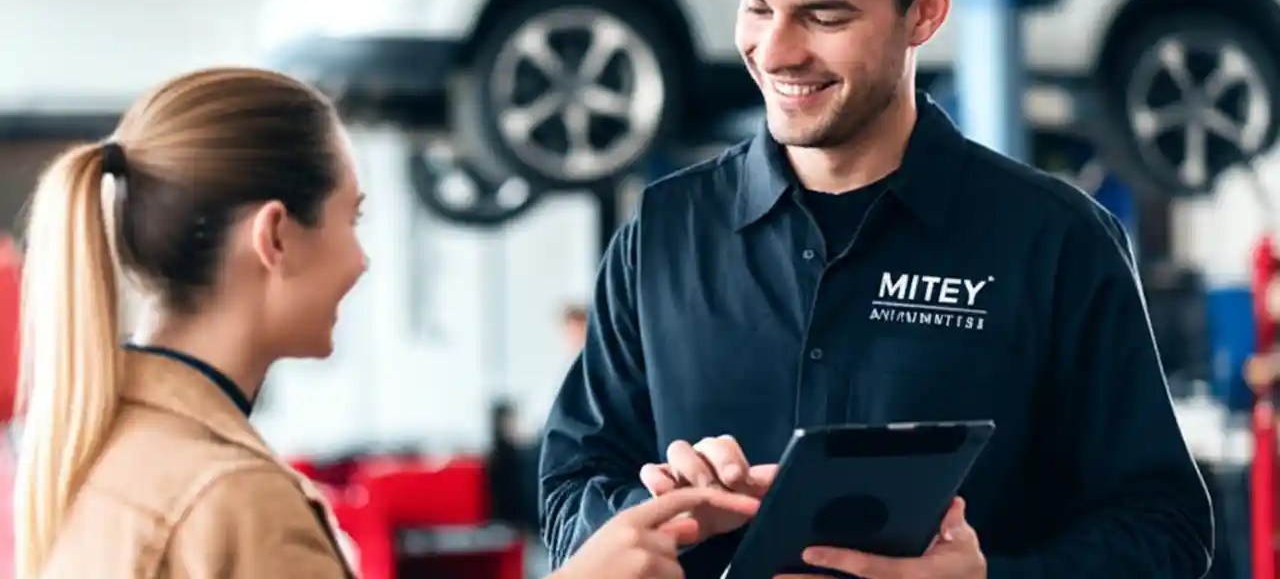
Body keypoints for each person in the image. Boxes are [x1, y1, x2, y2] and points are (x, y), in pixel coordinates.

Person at [538, 0, 1215, 577]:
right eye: (758, 7)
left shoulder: (1055, 244)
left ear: (925, 10)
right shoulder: (664, 236)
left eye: (824, 16)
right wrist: (655, 514)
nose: (775, 52)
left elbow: (1165, 532)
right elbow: (567, 492)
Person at [12, 67, 758, 578]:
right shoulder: (232, 500)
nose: (361, 261)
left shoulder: (104, 447)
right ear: (274, 237)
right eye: (351, 220)